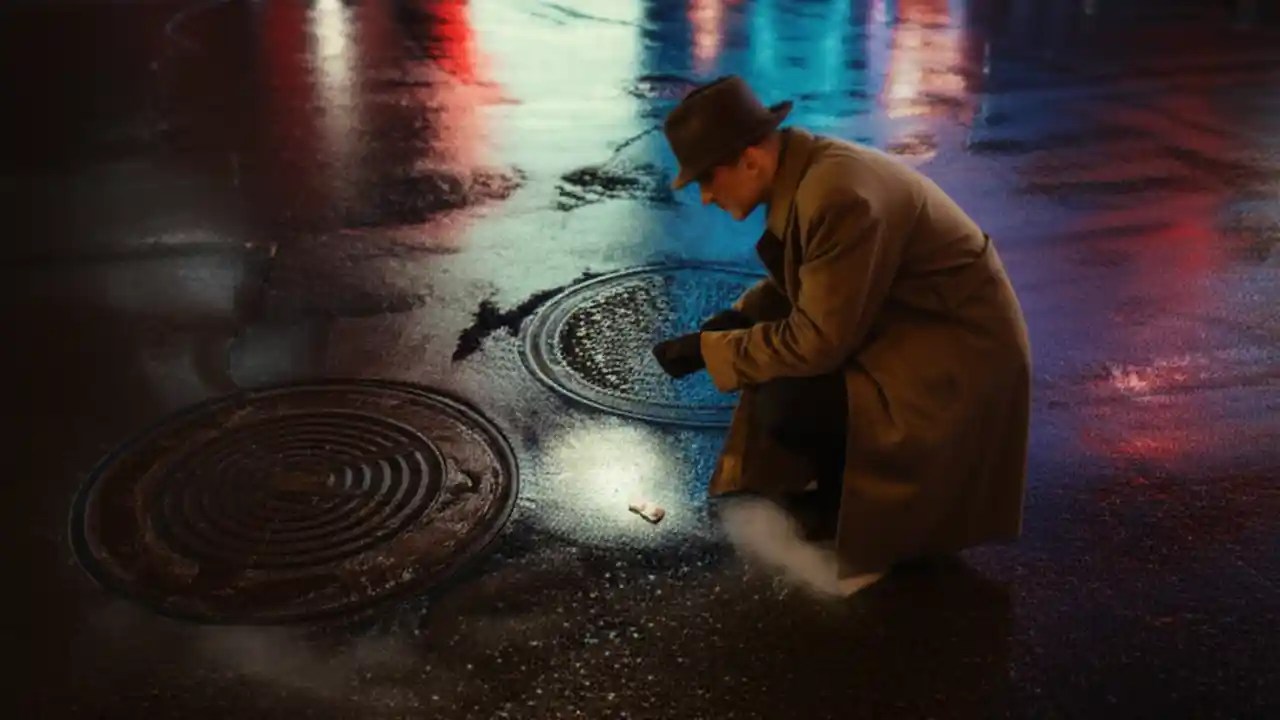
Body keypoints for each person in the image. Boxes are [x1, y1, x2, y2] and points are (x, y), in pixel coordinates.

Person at [651, 75, 1032, 596]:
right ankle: (841, 492)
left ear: (750, 160)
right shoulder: (810, 175)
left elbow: (816, 341)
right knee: (779, 380)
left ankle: (877, 529)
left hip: (958, 362)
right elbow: (815, 279)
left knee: (789, 398)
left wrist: (711, 348)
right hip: (918, 335)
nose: (706, 197)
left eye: (707, 179)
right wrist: (733, 320)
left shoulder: (835, 195)